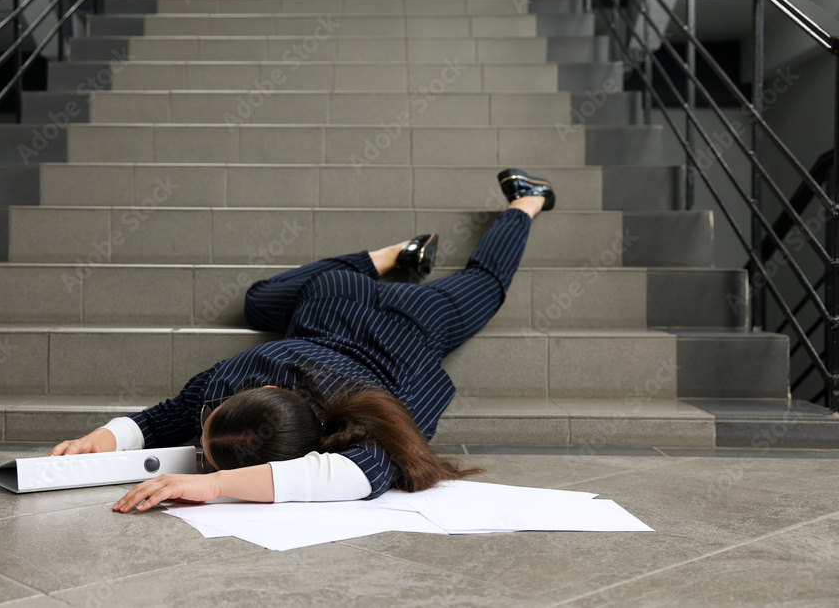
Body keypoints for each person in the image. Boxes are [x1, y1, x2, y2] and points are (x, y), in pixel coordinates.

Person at [50, 168, 555, 513]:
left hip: (391, 314)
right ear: (264, 393)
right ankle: (400, 252)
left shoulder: (359, 421)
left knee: (486, 284)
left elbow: (357, 475)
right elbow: (166, 416)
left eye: (203, 427)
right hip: (357, 306)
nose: (198, 419)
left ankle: (527, 200)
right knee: (257, 301)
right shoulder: (235, 384)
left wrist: (217, 484)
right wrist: (102, 439)